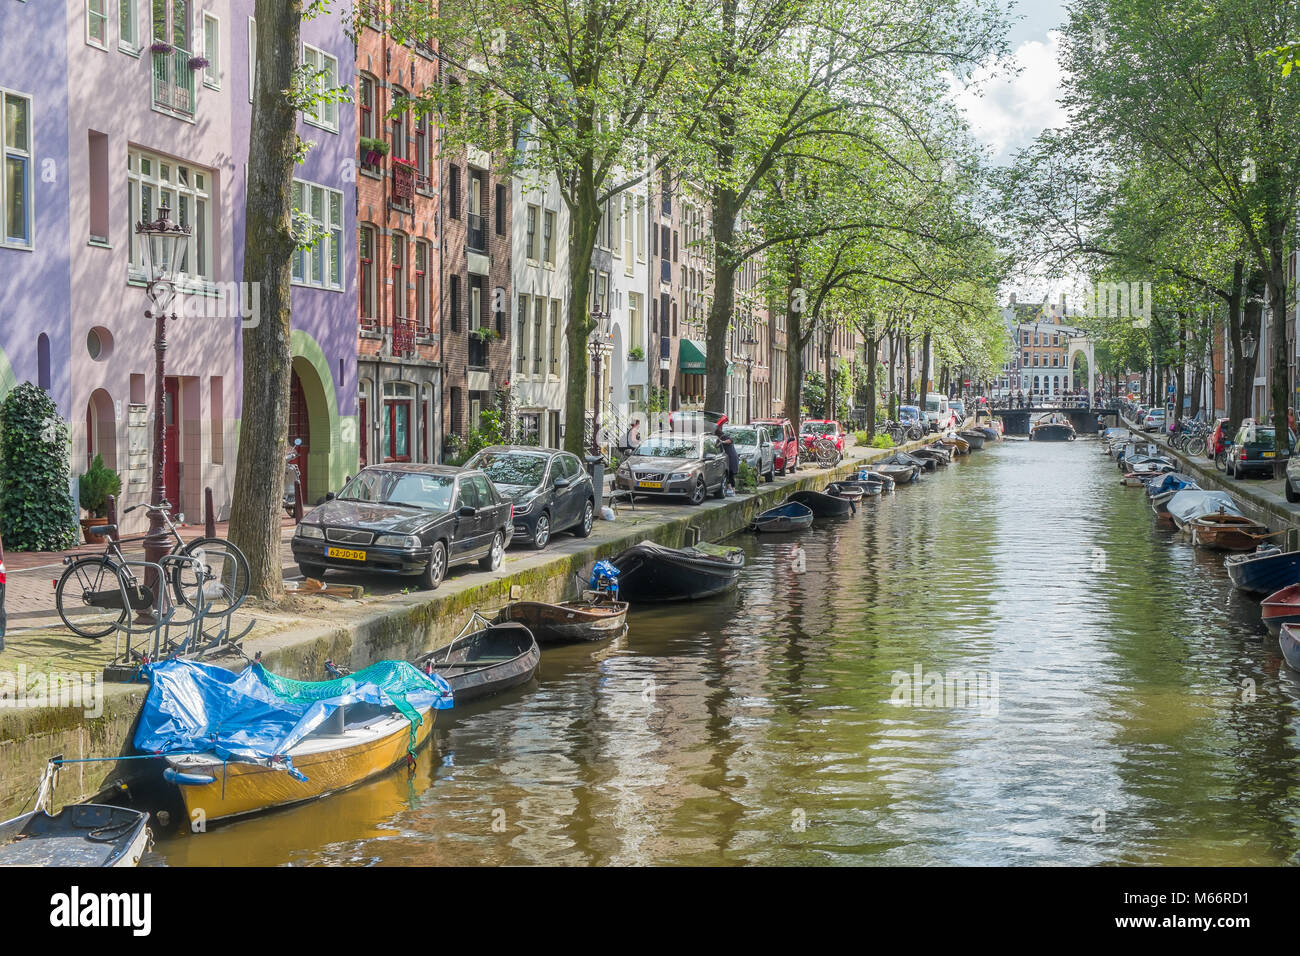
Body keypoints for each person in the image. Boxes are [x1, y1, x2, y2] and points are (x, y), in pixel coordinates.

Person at [716, 422, 739, 496]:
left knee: (730, 474)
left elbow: (730, 440)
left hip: (731, 458)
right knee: (730, 475)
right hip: (730, 458)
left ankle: (731, 490)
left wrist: (722, 442)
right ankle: (732, 490)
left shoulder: (724, 437)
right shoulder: (721, 438)